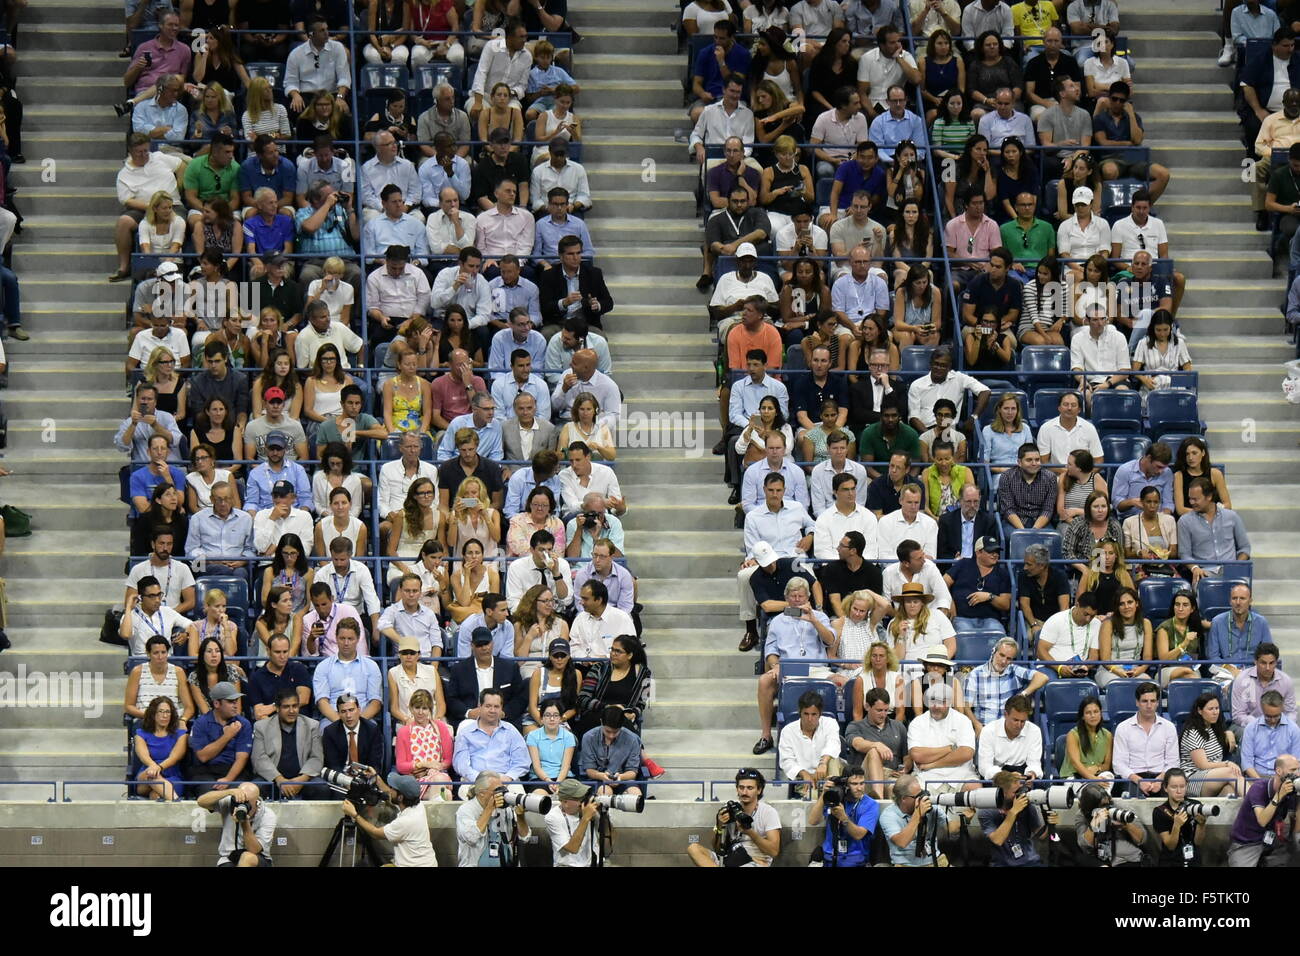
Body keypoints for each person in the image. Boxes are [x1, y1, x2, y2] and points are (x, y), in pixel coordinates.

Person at [753, 576, 833, 754]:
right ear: (786, 597)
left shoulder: (820, 617)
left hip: (816, 668)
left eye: (801, 596)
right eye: (793, 596)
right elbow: (771, 651)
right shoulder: (777, 621)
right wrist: (775, 666)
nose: (797, 600)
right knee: (765, 681)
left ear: (808, 598)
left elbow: (830, 641)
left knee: (842, 680)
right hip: (789, 668)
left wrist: (814, 620)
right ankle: (766, 735)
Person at [686, 768, 782, 867]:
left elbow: (774, 851)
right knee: (693, 848)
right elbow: (718, 849)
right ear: (737, 789)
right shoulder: (729, 810)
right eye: (741, 787)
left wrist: (749, 832)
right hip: (730, 857)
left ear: (759, 790)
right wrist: (720, 827)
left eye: (750, 788)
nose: (744, 792)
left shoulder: (768, 812)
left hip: (754, 861)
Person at [251, 688, 325, 799]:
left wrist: (302, 780)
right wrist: (279, 779)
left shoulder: (312, 726)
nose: (292, 711)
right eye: (286, 707)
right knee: (256, 788)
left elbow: (317, 757)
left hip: (303, 778)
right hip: (272, 779)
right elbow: (259, 758)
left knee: (321, 788)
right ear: (277, 708)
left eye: (295, 706)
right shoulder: (262, 727)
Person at [1226, 754, 1299, 867]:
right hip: (1246, 843)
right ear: (1279, 771)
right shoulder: (1259, 788)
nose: (1298, 774)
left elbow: (1295, 827)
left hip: (1273, 842)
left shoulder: (1292, 792)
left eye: (1299, 769)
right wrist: (1279, 796)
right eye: (1293, 770)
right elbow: (1262, 820)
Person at [879, 772, 965, 866]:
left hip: (935, 862)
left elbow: (951, 829)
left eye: (921, 792)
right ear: (904, 799)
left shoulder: (930, 807)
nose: (922, 797)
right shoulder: (889, 815)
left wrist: (964, 819)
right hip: (905, 864)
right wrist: (918, 814)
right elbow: (902, 842)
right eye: (917, 796)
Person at [964, 637, 1048, 733]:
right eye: (1001, 655)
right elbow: (966, 707)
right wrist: (976, 724)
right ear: (993, 652)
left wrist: (1023, 694)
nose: (1004, 661)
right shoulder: (976, 674)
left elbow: (1043, 677)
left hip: (1011, 728)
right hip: (986, 728)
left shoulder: (1014, 670)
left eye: (1009, 658)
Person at [455, 768, 533, 867]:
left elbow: (525, 838)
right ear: (481, 792)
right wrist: (489, 809)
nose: (502, 793)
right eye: (497, 790)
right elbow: (471, 838)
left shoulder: (506, 809)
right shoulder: (466, 810)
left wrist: (520, 816)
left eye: (502, 788)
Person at [980, 770, 1059, 867]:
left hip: (1031, 862)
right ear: (1002, 793)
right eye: (1015, 792)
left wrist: (1050, 824)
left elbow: (1042, 836)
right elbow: (998, 840)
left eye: (1020, 789)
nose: (1020, 794)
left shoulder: (1027, 806)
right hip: (1002, 864)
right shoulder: (987, 810)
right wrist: (1013, 812)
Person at [453, 688, 531, 784]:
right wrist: (481, 780)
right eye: (488, 706)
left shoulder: (511, 731)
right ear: (480, 706)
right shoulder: (465, 733)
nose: (492, 710)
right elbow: (461, 765)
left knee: (518, 797)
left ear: (501, 708)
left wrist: (509, 777)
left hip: (506, 780)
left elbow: (522, 762)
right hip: (474, 781)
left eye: (496, 706)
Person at [1113, 681, 1178, 797]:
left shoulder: (1169, 727)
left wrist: (1160, 780)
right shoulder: (1123, 728)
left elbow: (1173, 762)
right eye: (1144, 701)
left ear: (1158, 703)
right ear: (1137, 702)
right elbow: (1119, 764)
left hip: (1161, 776)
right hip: (1133, 777)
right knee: (1133, 801)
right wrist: (1138, 780)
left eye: (1152, 701)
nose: (1149, 705)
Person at [188, 681, 253, 795]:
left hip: (234, 772)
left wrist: (228, 779)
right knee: (211, 794)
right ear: (217, 703)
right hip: (206, 771)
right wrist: (227, 736)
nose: (236, 705)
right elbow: (203, 756)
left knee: (244, 793)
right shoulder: (201, 723)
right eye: (230, 702)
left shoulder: (244, 724)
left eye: (236, 701)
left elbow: (242, 758)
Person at [806, 765, 877, 868]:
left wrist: (843, 818)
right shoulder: (834, 798)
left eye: (862, 783)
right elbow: (813, 821)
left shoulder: (870, 804)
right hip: (830, 857)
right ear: (845, 785)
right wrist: (825, 794)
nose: (859, 788)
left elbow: (859, 834)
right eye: (854, 784)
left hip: (855, 860)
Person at [1179, 691, 1244, 798]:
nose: (1215, 712)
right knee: (1231, 772)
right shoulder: (1192, 732)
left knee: (1230, 791)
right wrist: (1227, 764)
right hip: (1193, 779)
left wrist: (1228, 733)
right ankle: (1256, 804)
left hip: (1213, 776)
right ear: (1200, 711)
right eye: (1210, 709)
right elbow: (1203, 765)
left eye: (1217, 708)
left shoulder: (1213, 729)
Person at [195, 781, 277, 867]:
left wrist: (244, 823)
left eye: (247, 802)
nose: (242, 805)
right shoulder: (230, 802)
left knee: (247, 858)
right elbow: (201, 802)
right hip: (229, 857)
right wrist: (228, 792)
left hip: (258, 859)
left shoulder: (268, 815)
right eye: (241, 801)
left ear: (256, 801)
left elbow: (254, 850)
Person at [778, 690, 842, 797]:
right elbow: (786, 761)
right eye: (806, 714)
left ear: (820, 714)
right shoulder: (788, 731)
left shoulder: (830, 723)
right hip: (805, 780)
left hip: (828, 773)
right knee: (812, 797)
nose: (809, 719)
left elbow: (833, 744)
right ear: (800, 712)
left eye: (814, 714)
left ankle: (833, 792)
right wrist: (804, 774)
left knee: (833, 759)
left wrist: (823, 763)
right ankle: (828, 797)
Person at [394, 688, 453, 801]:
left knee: (439, 779)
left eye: (424, 708)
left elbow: (448, 760)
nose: (420, 712)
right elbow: (401, 766)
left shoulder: (440, 727)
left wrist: (438, 767)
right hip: (417, 780)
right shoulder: (404, 732)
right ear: (411, 708)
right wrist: (424, 764)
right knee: (446, 795)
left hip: (439, 775)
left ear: (430, 709)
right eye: (417, 708)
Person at [1074, 782, 1148, 867]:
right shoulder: (1082, 814)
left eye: (1107, 804)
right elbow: (1084, 846)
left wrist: (1126, 826)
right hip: (1100, 857)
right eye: (1102, 806)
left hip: (1127, 858)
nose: (1105, 808)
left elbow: (1142, 840)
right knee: (1081, 858)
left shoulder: (1121, 809)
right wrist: (1093, 827)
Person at [1207, 583, 1272, 676]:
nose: (1238, 602)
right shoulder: (1217, 622)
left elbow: (1268, 654)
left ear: (1250, 601)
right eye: (1234, 598)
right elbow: (1213, 657)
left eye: (1242, 598)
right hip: (1226, 671)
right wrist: (1230, 669)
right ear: (1230, 601)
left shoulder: (1261, 622)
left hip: (1254, 671)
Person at [1096, 586, 1153, 688]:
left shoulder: (1146, 623)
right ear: (1117, 607)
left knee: (1150, 687)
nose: (1126, 607)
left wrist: (1140, 670)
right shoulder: (1108, 624)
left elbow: (1147, 657)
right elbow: (1105, 660)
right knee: (1121, 685)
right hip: (1110, 670)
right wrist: (1118, 671)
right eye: (1121, 604)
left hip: (1135, 671)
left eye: (1130, 602)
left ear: (1137, 603)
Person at [132, 696, 187, 801]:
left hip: (172, 777)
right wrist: (153, 767)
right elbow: (143, 756)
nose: (165, 715)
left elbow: (174, 757)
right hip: (146, 776)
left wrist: (159, 768)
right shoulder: (141, 734)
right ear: (153, 714)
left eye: (168, 712)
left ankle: (167, 800)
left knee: (155, 795)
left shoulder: (181, 735)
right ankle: (176, 803)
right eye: (161, 711)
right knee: (152, 776)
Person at [978, 696, 1044, 780]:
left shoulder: (1034, 731)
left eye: (1023, 721)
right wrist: (1006, 777)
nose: (1019, 725)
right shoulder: (988, 731)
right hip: (997, 776)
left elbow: (1034, 763)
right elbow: (985, 767)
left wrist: (1032, 773)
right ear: (1006, 715)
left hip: (1022, 775)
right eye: (1016, 720)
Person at [1036, 592, 1102, 678]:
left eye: (1092, 616)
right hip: (1050, 667)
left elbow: (1094, 656)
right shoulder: (1056, 620)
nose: (1088, 619)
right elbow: (1040, 651)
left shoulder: (1096, 624)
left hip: (1077, 669)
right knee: (1054, 687)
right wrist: (1059, 667)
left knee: (1088, 689)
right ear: (1077, 605)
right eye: (1086, 614)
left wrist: (1085, 667)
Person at [1232, 643, 1296, 728]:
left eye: (1271, 663)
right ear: (1255, 662)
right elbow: (1238, 715)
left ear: (1276, 662)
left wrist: (1283, 727)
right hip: (1250, 727)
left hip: (1278, 727)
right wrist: (1259, 725)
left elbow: (1290, 712)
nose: (1268, 668)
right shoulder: (1241, 680)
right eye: (1263, 663)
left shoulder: (1286, 681)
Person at [1241, 693, 1300, 779]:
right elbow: (1247, 764)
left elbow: (1296, 763)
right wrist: (1260, 782)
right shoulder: (1251, 728)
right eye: (1268, 716)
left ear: (1282, 709)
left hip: (1284, 778)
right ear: (1262, 709)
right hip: (1256, 776)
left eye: (1276, 716)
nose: (1272, 720)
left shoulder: (1293, 729)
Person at [1060, 695, 1115, 782]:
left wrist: (1097, 768)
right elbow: (1076, 764)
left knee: (1109, 776)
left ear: (1101, 713)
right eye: (1088, 713)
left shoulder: (1108, 735)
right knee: (1093, 789)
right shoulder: (1073, 734)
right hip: (1075, 777)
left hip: (1098, 775)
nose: (1093, 715)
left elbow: (1107, 765)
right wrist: (1093, 779)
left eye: (1096, 711)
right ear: (1082, 716)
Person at [545, 777, 598, 867]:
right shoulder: (552, 817)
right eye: (579, 798)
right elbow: (572, 848)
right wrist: (585, 818)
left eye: (584, 796)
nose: (584, 800)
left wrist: (604, 817)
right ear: (565, 802)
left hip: (592, 863)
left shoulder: (589, 810)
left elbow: (608, 847)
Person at [528, 700, 577, 791]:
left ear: (561, 718)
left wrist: (558, 782)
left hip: (564, 778)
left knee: (572, 796)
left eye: (556, 715)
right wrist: (548, 781)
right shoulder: (532, 736)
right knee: (539, 796)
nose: (552, 719)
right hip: (540, 779)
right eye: (547, 715)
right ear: (542, 718)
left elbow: (565, 766)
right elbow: (536, 766)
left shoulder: (569, 736)